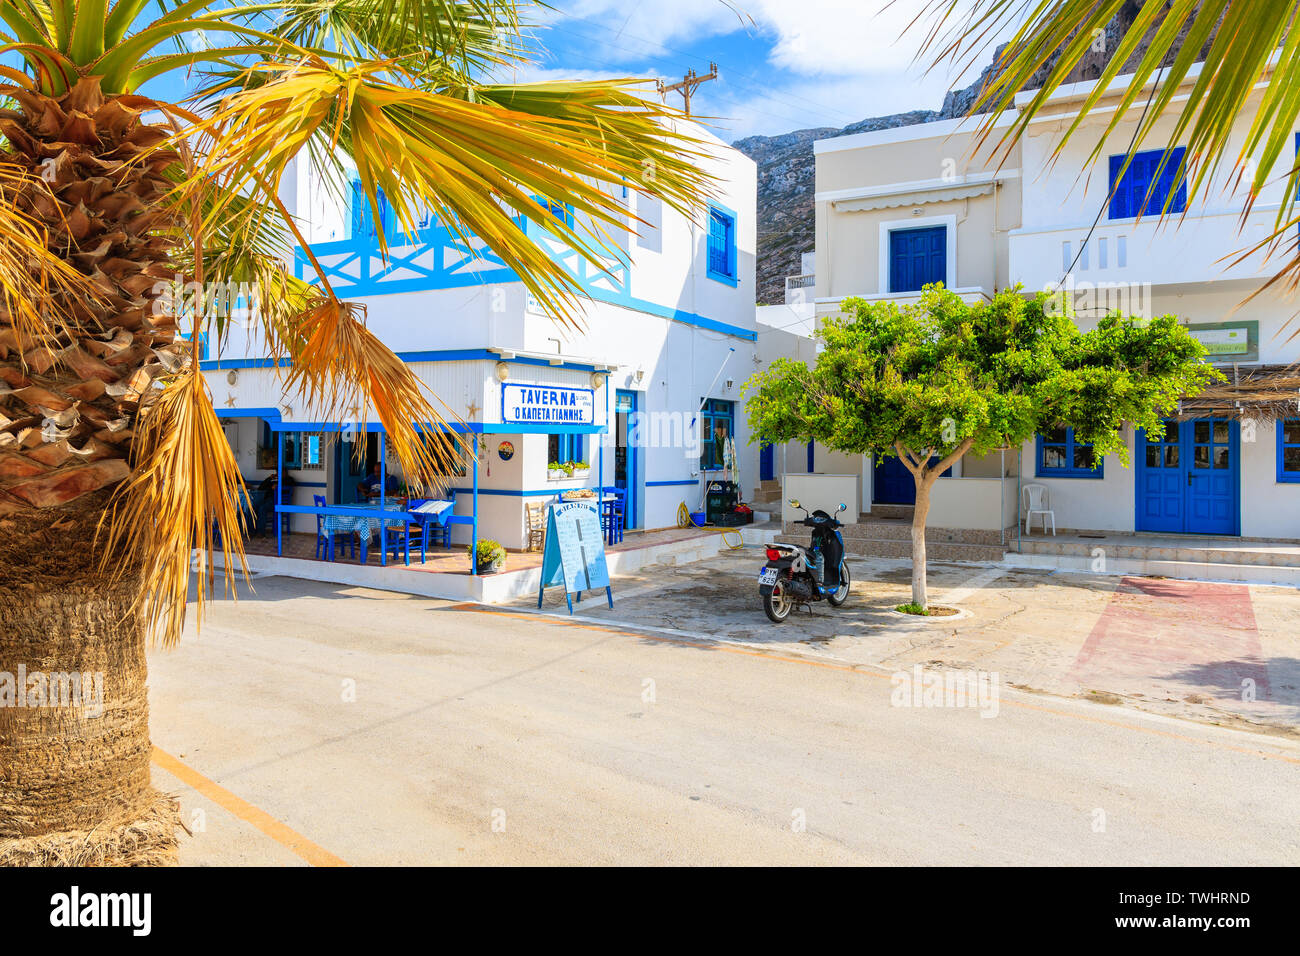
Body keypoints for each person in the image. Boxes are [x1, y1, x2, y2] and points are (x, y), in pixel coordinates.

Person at [256, 471, 295, 537]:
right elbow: (260, 487)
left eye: (280, 472)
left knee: (262, 508)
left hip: (278, 502)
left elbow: (289, 484)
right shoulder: (274, 480)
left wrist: (278, 485)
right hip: (269, 500)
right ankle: (253, 530)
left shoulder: (289, 480)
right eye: (277, 473)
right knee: (255, 506)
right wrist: (269, 478)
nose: (278, 474)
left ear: (285, 473)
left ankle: (261, 532)